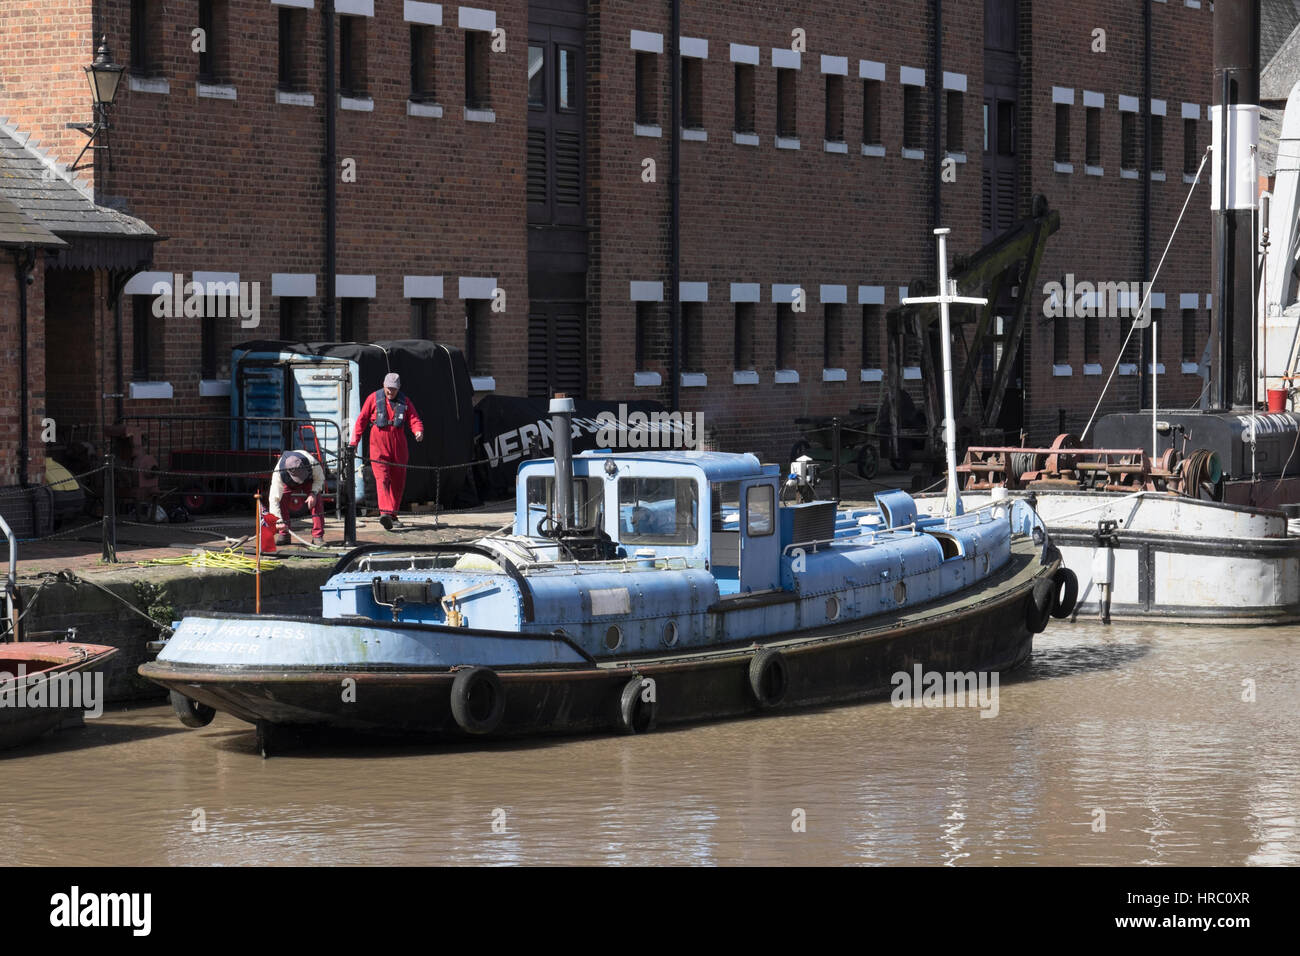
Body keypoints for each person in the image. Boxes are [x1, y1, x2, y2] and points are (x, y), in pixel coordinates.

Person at [349, 371, 424, 530]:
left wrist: (418, 430)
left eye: (394, 389)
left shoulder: (405, 401)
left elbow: (414, 419)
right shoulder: (373, 398)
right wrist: (354, 442)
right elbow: (361, 421)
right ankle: (386, 513)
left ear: (399, 388)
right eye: (388, 388)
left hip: (399, 444)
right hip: (378, 442)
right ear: (383, 385)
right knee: (381, 479)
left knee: (398, 482)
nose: (390, 391)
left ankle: (392, 515)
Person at [268, 449, 326, 546]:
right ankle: (284, 534)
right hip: (288, 482)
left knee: (316, 501)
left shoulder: (311, 461)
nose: (300, 481)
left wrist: (313, 493)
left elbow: (320, 479)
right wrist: (278, 521)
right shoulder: (278, 473)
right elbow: (274, 498)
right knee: (282, 500)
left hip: (309, 481)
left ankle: (317, 536)